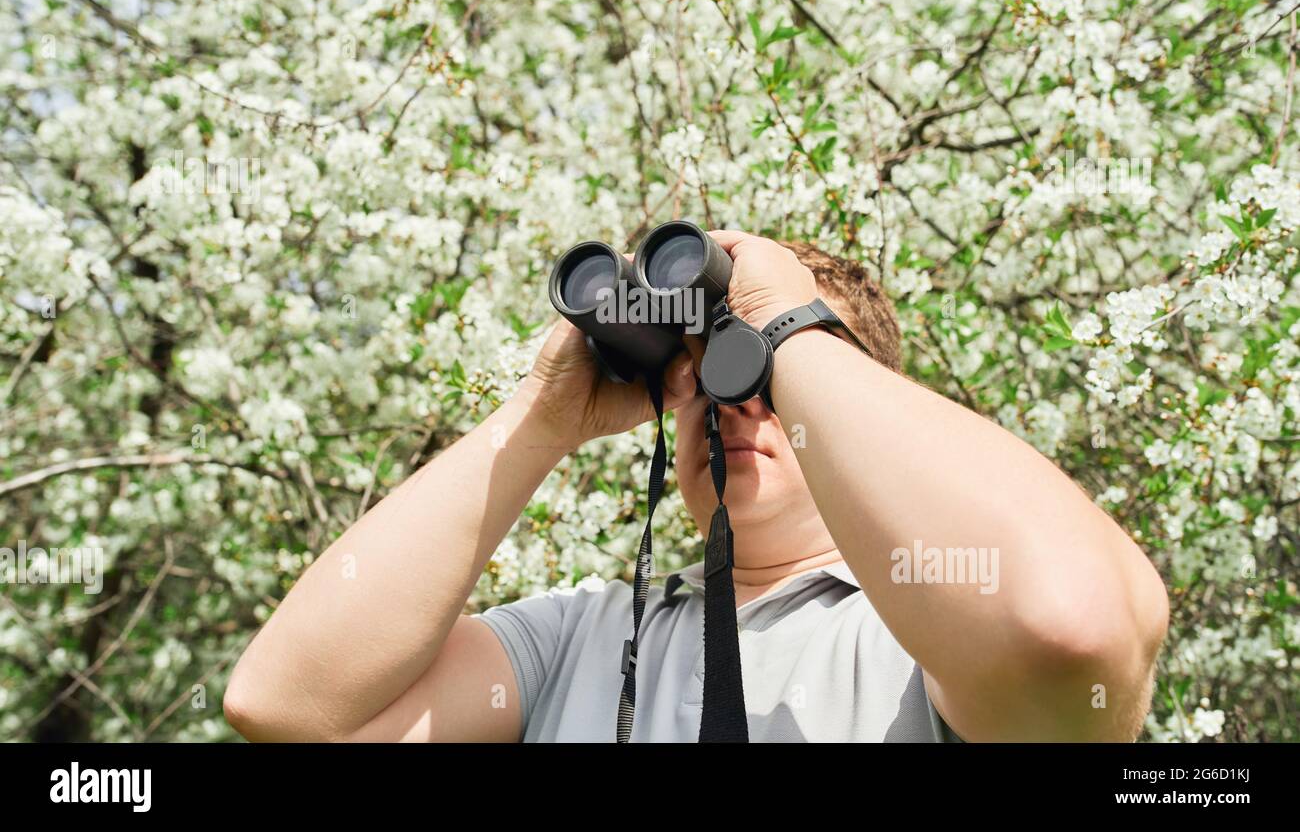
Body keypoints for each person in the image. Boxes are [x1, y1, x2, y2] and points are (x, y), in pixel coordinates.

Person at [223, 230, 1170, 742]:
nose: (734, 399)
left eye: (761, 370)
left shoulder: (921, 648)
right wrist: (542, 416)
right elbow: (291, 709)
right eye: (709, 370)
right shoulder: (580, 637)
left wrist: (784, 325)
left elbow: (1071, 628)